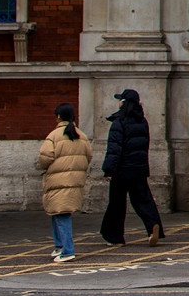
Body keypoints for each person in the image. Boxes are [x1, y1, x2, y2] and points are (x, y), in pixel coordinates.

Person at [100, 88, 164, 247]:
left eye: (120, 99)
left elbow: (114, 148)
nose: (119, 102)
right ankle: (153, 227)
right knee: (144, 200)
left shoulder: (119, 122)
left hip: (121, 170)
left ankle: (115, 237)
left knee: (117, 203)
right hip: (139, 168)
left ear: (124, 103)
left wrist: (108, 169)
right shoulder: (142, 121)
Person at [36, 102, 93, 263]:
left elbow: (44, 158)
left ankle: (68, 250)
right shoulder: (81, 135)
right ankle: (59, 245)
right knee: (57, 212)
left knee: (61, 214)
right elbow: (88, 156)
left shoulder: (54, 136)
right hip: (74, 180)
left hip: (57, 180)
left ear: (58, 117)